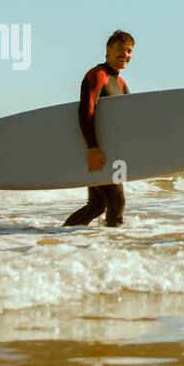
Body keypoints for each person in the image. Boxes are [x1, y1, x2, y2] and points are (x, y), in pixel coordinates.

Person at [63, 30, 134, 227]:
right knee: (117, 200)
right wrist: (92, 147)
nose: (125, 55)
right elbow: (86, 112)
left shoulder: (121, 83)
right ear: (108, 50)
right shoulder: (98, 75)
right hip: (96, 152)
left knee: (96, 205)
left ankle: (61, 239)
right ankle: (115, 245)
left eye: (129, 51)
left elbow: (127, 121)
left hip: (110, 154)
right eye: (120, 49)